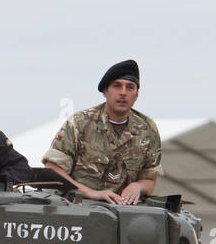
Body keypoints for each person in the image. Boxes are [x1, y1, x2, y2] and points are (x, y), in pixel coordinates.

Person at [42, 59, 162, 205]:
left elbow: (149, 179)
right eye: (117, 86)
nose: (123, 93)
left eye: (130, 87)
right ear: (105, 91)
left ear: (136, 95)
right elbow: (53, 170)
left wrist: (137, 186)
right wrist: (90, 193)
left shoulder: (147, 129)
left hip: (122, 211)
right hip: (77, 206)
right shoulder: (80, 123)